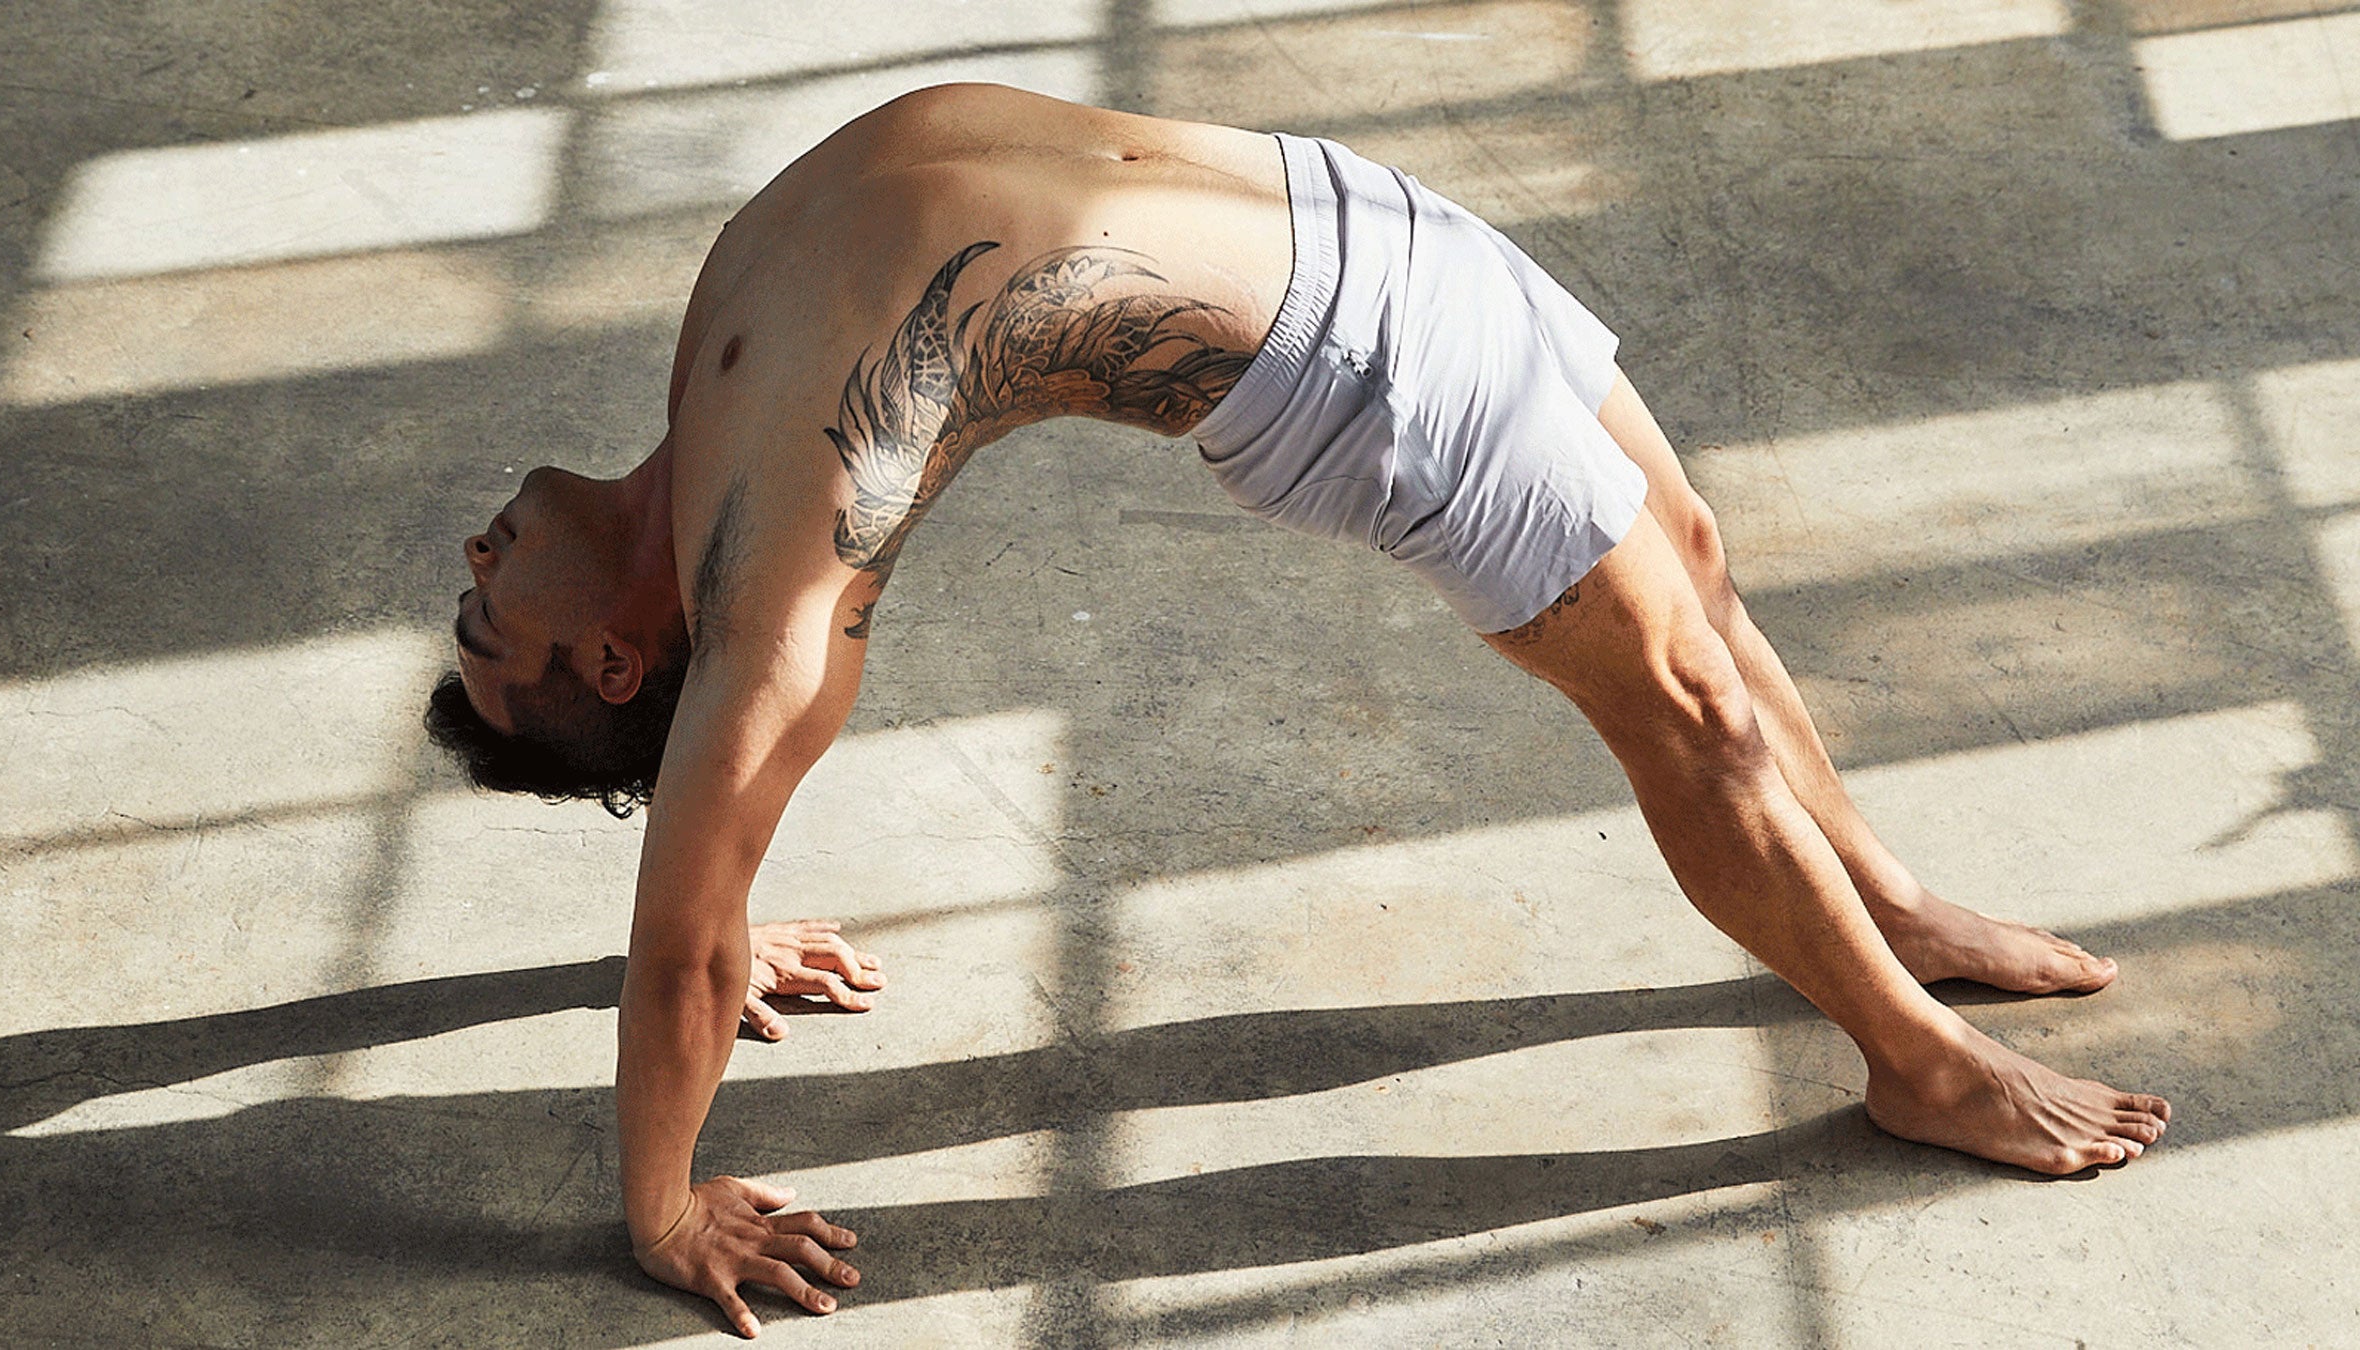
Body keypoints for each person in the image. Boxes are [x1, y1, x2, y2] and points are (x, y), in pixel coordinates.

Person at [424, 83, 2167, 1332]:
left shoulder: (701, 431)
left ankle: (1894, 900)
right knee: (1690, 716)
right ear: (612, 666)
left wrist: (736, 903)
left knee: (1695, 555)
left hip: (1362, 216)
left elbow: (706, 907)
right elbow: (679, 954)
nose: (476, 580)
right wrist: (660, 1204)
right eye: (492, 634)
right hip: (1365, 368)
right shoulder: (773, 597)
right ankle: (1916, 1062)